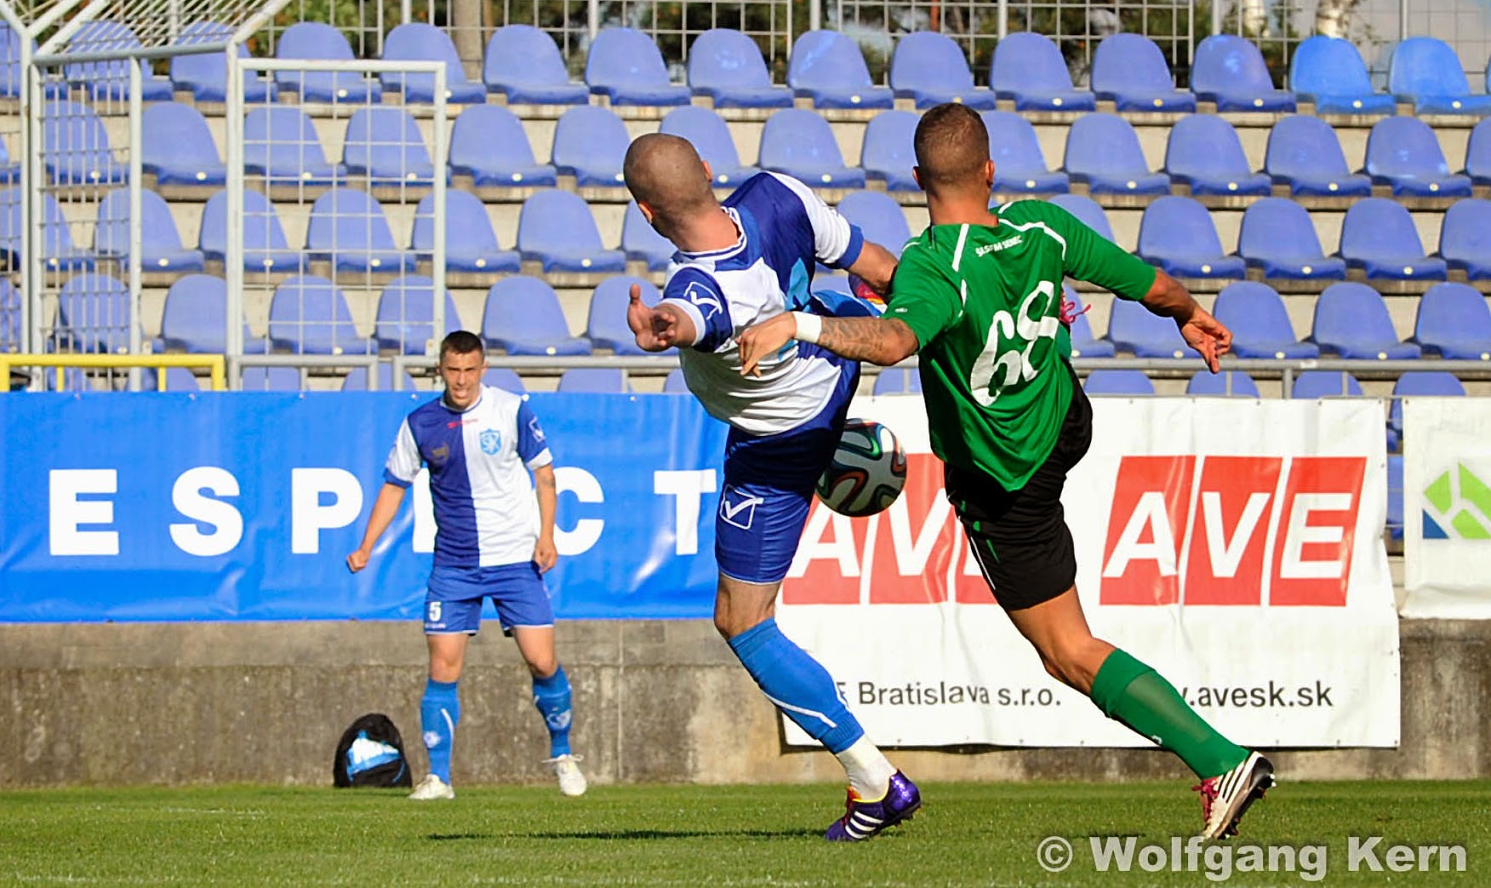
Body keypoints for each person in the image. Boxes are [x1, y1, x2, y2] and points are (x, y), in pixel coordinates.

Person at [737, 103, 1274, 841]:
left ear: (919, 179)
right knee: (1029, 339)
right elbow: (1147, 284)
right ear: (989, 172)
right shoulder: (1040, 227)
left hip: (1005, 479)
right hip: (1062, 422)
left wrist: (797, 324)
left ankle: (1222, 760)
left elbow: (895, 340)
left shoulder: (932, 266)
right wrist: (1188, 316)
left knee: (1068, 651)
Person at [622, 132, 919, 842]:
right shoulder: (777, 192)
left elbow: (697, 314)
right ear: (708, 171)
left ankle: (876, 783)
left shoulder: (693, 288)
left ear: (645, 212)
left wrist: (670, 327)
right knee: (876, 294)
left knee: (743, 622)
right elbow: (878, 263)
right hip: (841, 341)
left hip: (783, 440)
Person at [346, 330, 585, 801]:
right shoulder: (420, 423)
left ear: (482, 370)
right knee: (442, 666)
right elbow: (394, 485)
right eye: (453, 371)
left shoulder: (511, 410)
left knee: (541, 660)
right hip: (454, 564)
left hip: (515, 558)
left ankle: (562, 754)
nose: (461, 381)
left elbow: (545, 475)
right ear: (441, 369)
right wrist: (367, 544)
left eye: (469, 371)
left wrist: (547, 536)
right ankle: (439, 778)